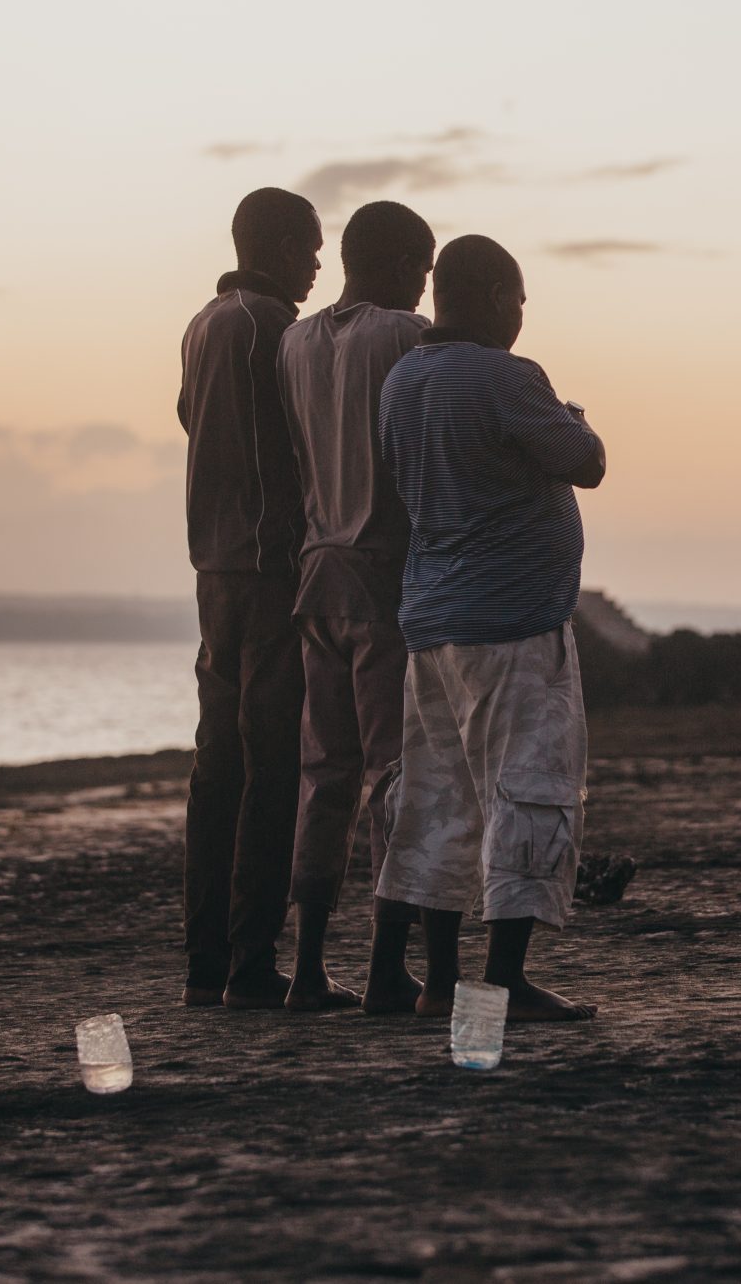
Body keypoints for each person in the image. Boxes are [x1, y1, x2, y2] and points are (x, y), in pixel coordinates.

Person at [372, 234, 606, 1022]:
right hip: (514, 624)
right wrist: (568, 414)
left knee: (440, 799)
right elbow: (588, 459)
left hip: (432, 624)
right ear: (495, 295)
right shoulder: (509, 377)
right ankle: (502, 981)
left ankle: (441, 982)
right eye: (517, 298)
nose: (520, 313)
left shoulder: (402, 380)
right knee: (528, 791)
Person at [274, 201, 436, 1013]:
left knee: (324, 773)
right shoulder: (406, 337)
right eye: (426, 270)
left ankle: (306, 965)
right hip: (382, 571)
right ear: (407, 263)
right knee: (394, 774)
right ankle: (384, 963)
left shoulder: (294, 341)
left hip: (317, 570)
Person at [175, 187, 322, 1008]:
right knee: (272, 767)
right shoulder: (273, 328)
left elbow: (189, 418)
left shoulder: (204, 321)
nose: (316, 262)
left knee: (217, 768)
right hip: (270, 566)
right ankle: (252, 963)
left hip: (213, 567)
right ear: (272, 243)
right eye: (308, 245)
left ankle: (207, 962)